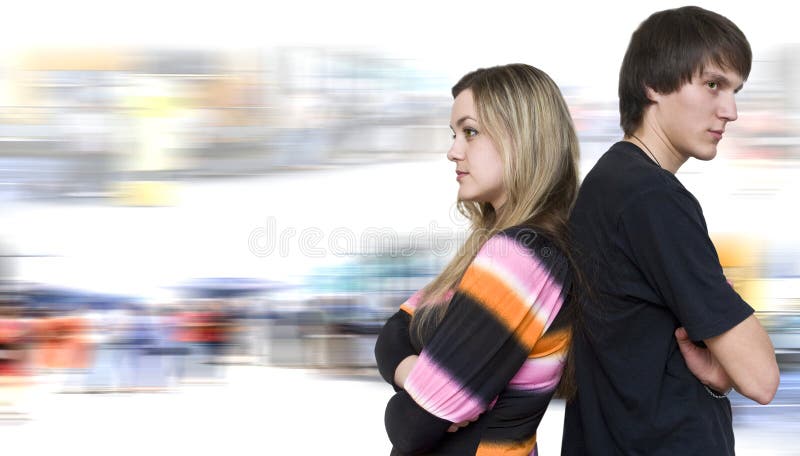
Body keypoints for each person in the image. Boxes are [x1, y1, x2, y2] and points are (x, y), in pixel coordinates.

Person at [561, 6, 780, 455]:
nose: (731, 111)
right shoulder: (653, 199)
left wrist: (721, 372)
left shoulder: (608, 183)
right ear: (654, 84)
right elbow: (761, 379)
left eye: (735, 90)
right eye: (713, 84)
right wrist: (728, 367)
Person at [375, 63, 581, 455]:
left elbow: (411, 426)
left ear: (522, 137)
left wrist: (406, 402)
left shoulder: (523, 256)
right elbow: (392, 333)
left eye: (470, 132)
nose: (453, 151)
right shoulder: (498, 246)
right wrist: (416, 375)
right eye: (454, 134)